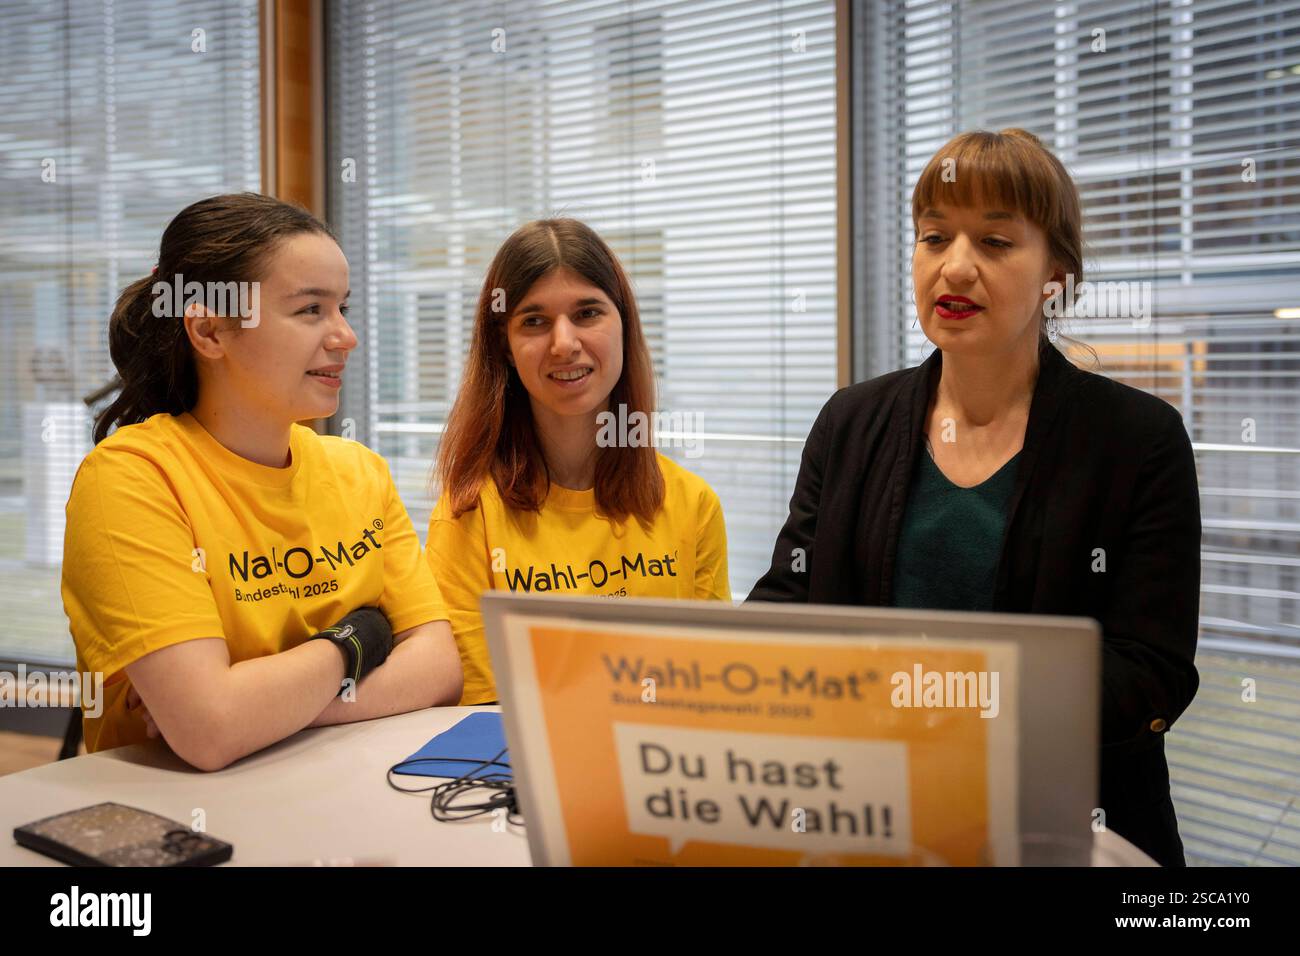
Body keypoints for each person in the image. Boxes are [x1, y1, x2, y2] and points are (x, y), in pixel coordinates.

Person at [748, 129, 1201, 867]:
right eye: (934, 238)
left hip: (1061, 828)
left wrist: (946, 697)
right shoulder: (851, 420)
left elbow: (1150, 672)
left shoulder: (1137, 440)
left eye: (994, 242)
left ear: (1055, 272)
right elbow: (786, 605)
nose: (954, 267)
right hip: (870, 817)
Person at [62, 193, 462, 771]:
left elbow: (440, 669)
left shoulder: (359, 470)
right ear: (210, 331)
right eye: (309, 310)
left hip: (335, 793)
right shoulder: (129, 480)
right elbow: (210, 729)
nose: (345, 336)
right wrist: (360, 641)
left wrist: (274, 710)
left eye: (343, 308)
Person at [427, 219, 731, 705]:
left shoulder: (694, 505)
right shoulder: (470, 513)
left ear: (623, 326)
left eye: (587, 313)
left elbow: (703, 686)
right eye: (534, 320)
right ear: (504, 346)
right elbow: (479, 708)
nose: (564, 343)